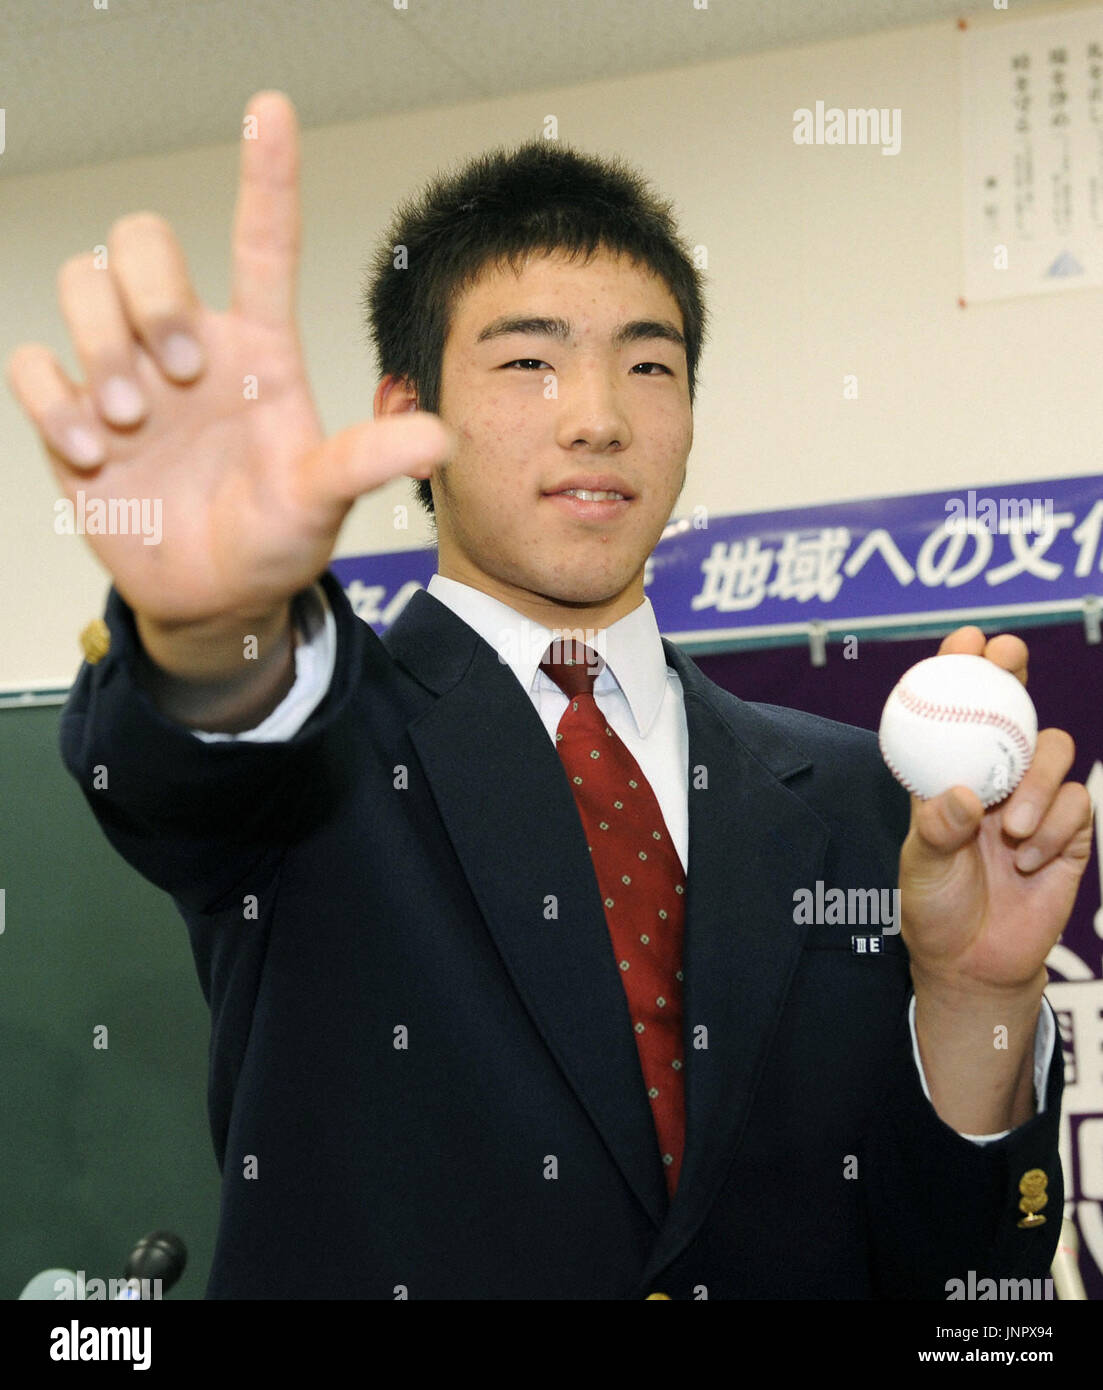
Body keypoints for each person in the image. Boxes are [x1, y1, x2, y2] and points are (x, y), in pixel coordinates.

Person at [7, 91, 1091, 1299]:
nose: (598, 416)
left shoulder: (855, 797)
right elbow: (185, 753)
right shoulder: (321, 752)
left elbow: (962, 1275)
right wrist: (212, 621)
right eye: (528, 362)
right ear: (406, 413)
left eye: (649, 363)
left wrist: (973, 1001)